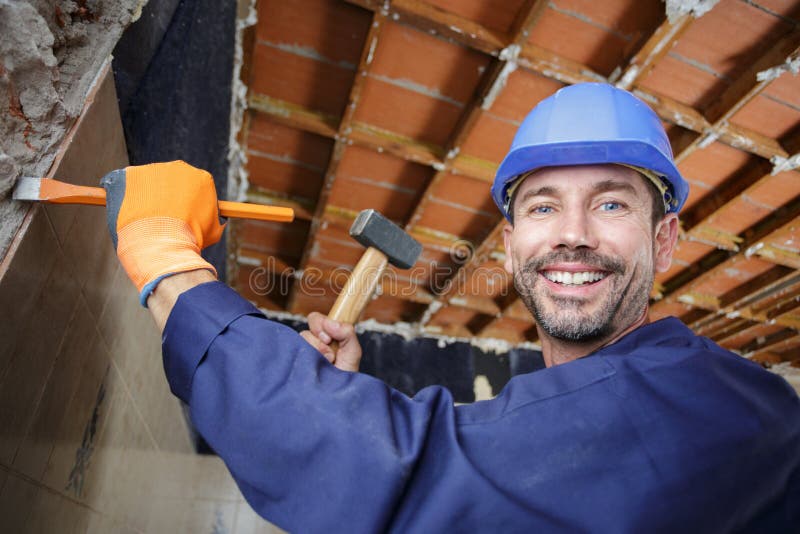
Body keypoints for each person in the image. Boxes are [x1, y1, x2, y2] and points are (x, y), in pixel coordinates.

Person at [101, 83, 800, 532]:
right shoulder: (575, 406)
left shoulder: (709, 409)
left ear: (665, 238)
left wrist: (166, 258)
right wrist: (338, 394)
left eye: (612, 202)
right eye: (544, 206)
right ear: (508, 245)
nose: (573, 235)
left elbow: (388, 477)